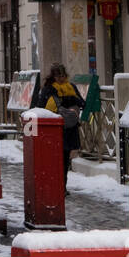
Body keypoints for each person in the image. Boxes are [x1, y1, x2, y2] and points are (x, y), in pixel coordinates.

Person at [38, 62, 84, 191]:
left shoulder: (71, 87)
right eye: (58, 76)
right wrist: (70, 101)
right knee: (56, 158)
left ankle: (61, 186)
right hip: (55, 128)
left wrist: (67, 101)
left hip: (68, 128)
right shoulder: (49, 88)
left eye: (63, 75)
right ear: (53, 77)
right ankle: (57, 185)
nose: (61, 78)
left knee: (64, 158)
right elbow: (41, 107)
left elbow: (82, 103)